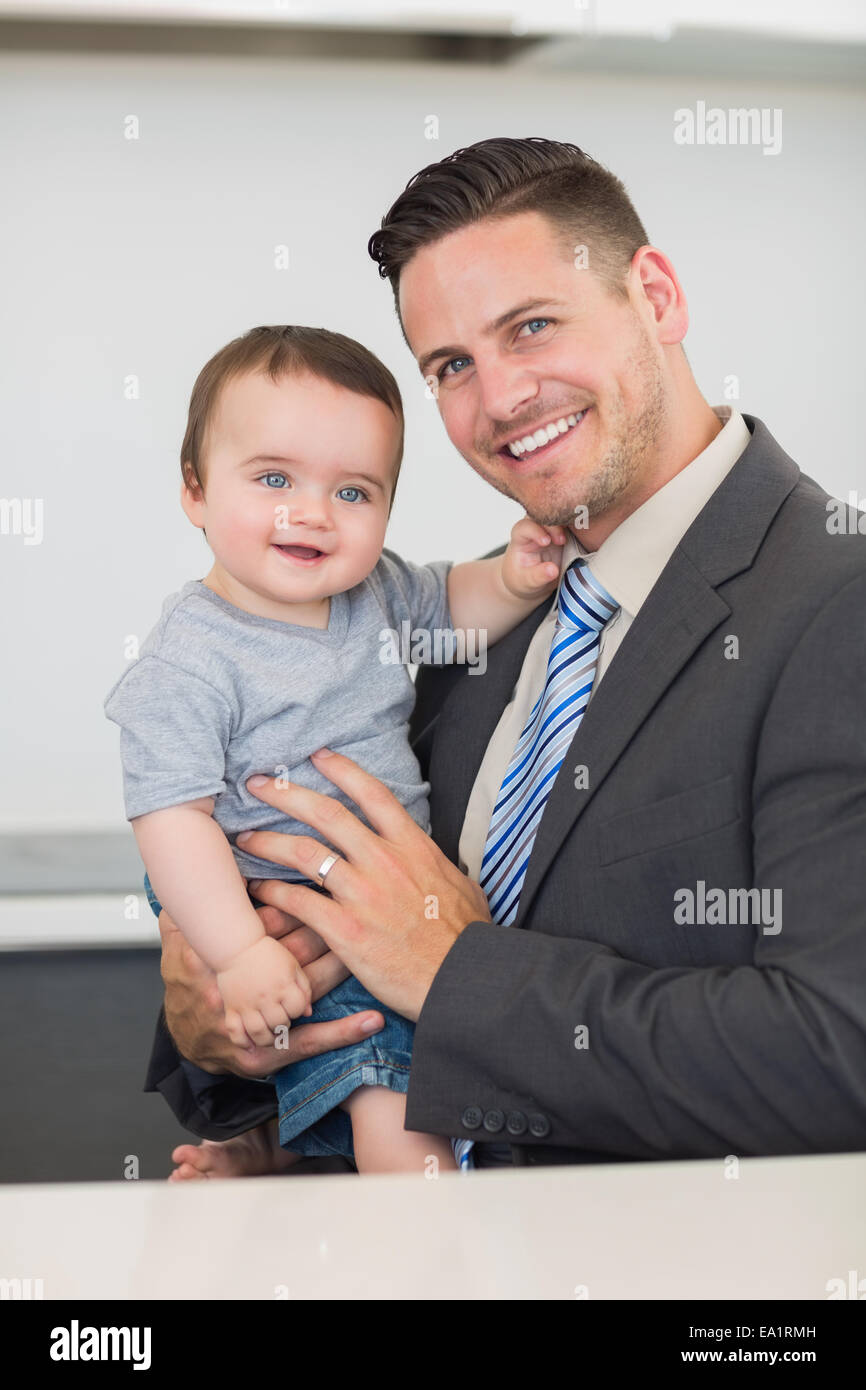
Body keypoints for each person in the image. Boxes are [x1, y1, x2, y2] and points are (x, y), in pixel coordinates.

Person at [145, 138, 866, 1174]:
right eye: (450, 367)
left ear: (654, 296)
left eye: (530, 327)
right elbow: (283, 948)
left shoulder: (836, 601)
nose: (498, 397)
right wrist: (210, 1025)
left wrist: (456, 975)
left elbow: (834, 1051)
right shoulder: (454, 617)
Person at [104, 322, 566, 1175]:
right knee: (387, 1084)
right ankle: (405, 1226)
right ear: (196, 492)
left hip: (364, 885)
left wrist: (507, 580)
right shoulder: (189, 657)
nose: (311, 512)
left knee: (353, 1048)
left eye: (354, 492)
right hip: (244, 884)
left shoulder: (376, 590)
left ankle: (264, 1154)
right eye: (274, 477)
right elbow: (170, 818)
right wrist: (239, 949)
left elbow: (450, 614)